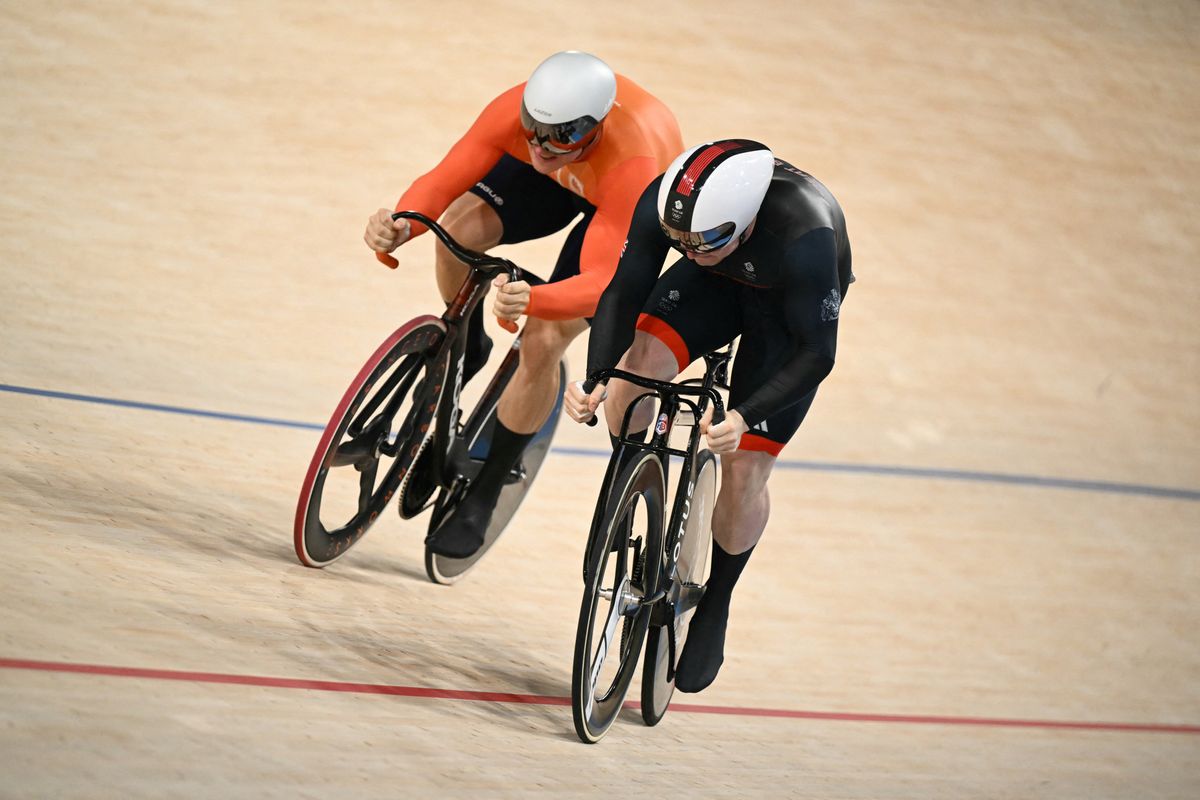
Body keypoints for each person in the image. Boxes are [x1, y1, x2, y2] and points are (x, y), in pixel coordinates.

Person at [363, 51, 682, 559]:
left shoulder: (633, 162)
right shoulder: (522, 119)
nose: (541, 145)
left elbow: (602, 282)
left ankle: (486, 491)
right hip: (570, 179)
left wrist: (538, 299)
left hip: (621, 203)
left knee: (544, 336)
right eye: (534, 129)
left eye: (560, 135)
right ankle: (468, 343)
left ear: (594, 127)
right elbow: (444, 180)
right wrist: (405, 221)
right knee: (460, 230)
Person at [564, 139, 853, 692]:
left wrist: (746, 417)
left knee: (744, 467)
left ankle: (716, 600)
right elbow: (626, 289)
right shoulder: (672, 207)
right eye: (681, 242)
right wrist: (599, 375)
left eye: (705, 240)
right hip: (716, 288)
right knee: (635, 374)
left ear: (743, 225)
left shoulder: (806, 233)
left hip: (787, 315)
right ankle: (634, 487)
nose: (690, 250)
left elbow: (818, 354)